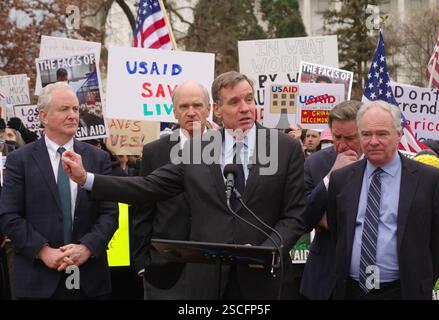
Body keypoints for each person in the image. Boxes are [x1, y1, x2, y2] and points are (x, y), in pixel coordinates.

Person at [62, 71, 309, 299]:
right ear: (218, 110)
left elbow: (296, 214)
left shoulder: (284, 148)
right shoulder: (197, 149)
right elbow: (148, 186)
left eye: (249, 99)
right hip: (209, 282)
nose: (245, 108)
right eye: (234, 102)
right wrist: (87, 179)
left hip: (265, 281)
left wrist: (266, 253)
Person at [0, 82, 118, 299]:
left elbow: (110, 213)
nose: (73, 115)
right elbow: (9, 215)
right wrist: (43, 251)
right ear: (44, 116)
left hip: (89, 280)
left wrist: (87, 248)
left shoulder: (98, 158)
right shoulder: (20, 160)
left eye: (75, 109)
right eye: (64, 109)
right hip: (37, 280)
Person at [327, 100, 439, 300]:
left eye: (382, 133)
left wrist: (421, 282)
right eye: (366, 134)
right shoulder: (341, 179)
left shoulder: (431, 180)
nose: (373, 141)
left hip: (403, 291)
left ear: (398, 135)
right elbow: (338, 233)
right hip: (351, 290)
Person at [134, 81, 210, 300]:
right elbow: (143, 210)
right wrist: (142, 264)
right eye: (184, 107)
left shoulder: (227, 148)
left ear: (209, 109)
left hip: (214, 268)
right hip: (163, 270)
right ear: (174, 112)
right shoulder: (154, 151)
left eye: (197, 105)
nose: (191, 112)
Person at [300, 100, 363, 300]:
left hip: (369, 277)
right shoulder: (315, 163)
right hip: (325, 277)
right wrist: (330, 176)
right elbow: (304, 217)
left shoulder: (378, 162)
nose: (342, 145)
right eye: (337, 137)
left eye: (350, 137)